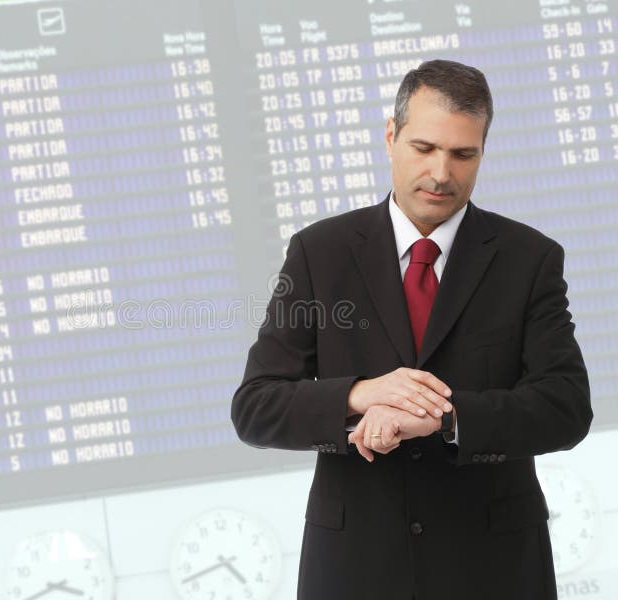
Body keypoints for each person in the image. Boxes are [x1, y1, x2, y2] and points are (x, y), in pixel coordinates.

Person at [231, 59, 592, 600]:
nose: (441, 173)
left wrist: (444, 418)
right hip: (355, 569)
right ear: (391, 136)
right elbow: (256, 406)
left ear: (482, 154)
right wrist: (360, 395)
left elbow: (565, 408)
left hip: (492, 569)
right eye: (424, 148)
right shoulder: (318, 253)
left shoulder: (530, 259)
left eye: (462, 154)